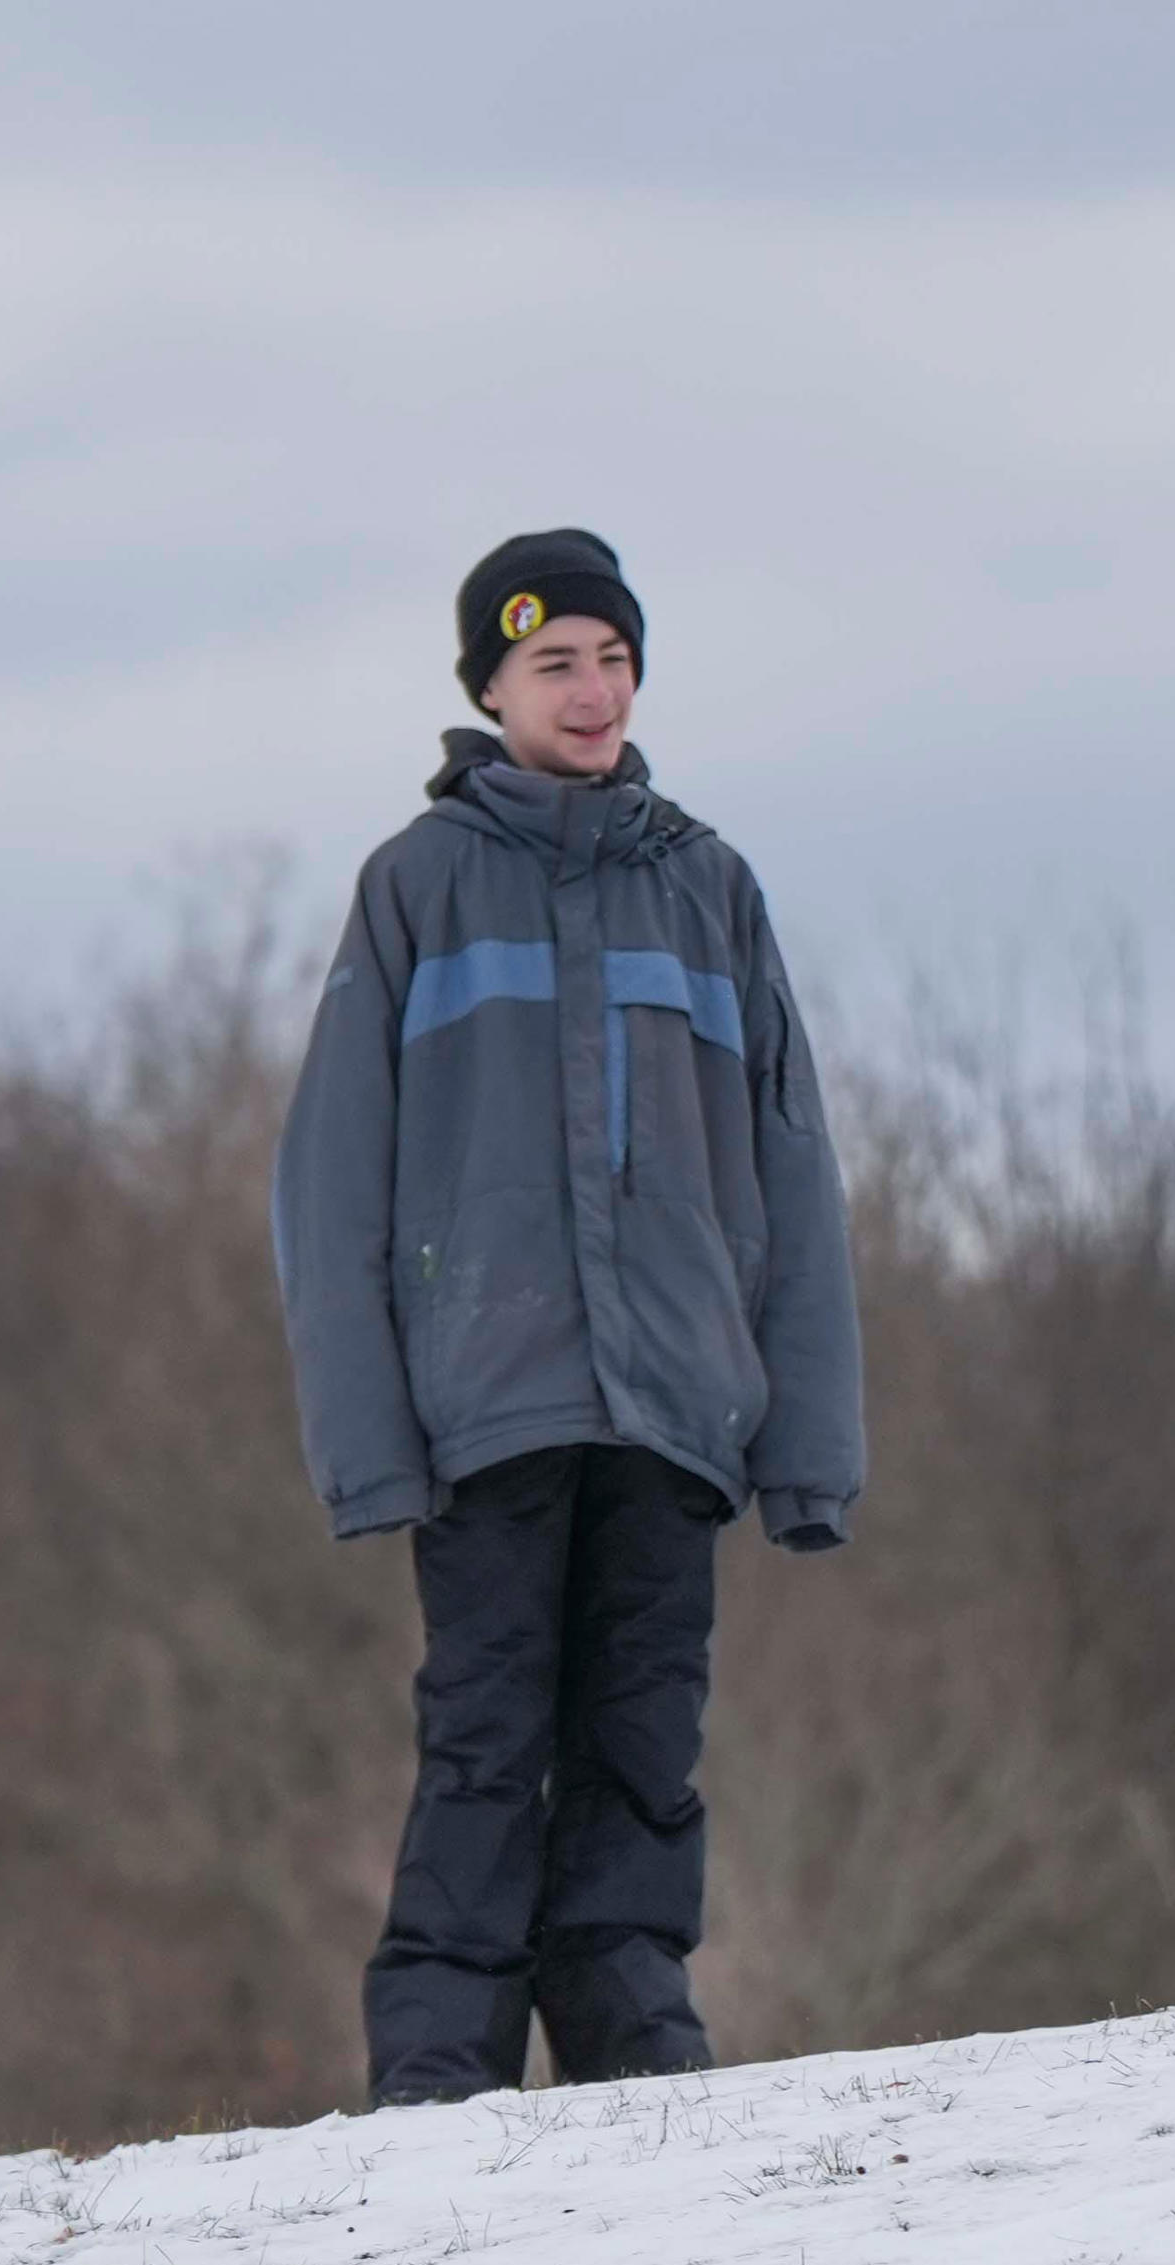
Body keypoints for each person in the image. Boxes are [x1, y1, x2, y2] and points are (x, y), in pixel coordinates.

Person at [274, 530, 864, 2104]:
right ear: (490, 685)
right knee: (485, 1736)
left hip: (675, 1400)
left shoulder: (709, 888)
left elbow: (791, 1171)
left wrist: (804, 1444)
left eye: (612, 659)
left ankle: (630, 2030)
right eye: (554, 664)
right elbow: (329, 1185)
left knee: (641, 1741)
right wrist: (368, 1446)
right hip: (488, 1399)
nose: (592, 692)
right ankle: (438, 2062)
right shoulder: (417, 889)